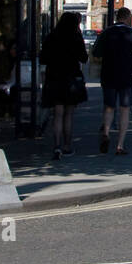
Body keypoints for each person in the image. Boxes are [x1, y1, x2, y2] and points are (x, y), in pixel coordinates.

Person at [93, 7, 132, 155]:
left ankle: (107, 133)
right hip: (127, 75)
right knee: (124, 109)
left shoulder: (106, 32)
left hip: (108, 74)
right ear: (128, 17)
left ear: (116, 17)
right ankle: (120, 145)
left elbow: (96, 51)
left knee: (109, 107)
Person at [41, 12, 88, 159]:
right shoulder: (75, 37)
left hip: (54, 78)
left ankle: (56, 146)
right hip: (71, 78)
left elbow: (43, 58)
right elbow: (84, 58)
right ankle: (67, 145)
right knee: (69, 114)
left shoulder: (52, 36)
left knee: (57, 114)